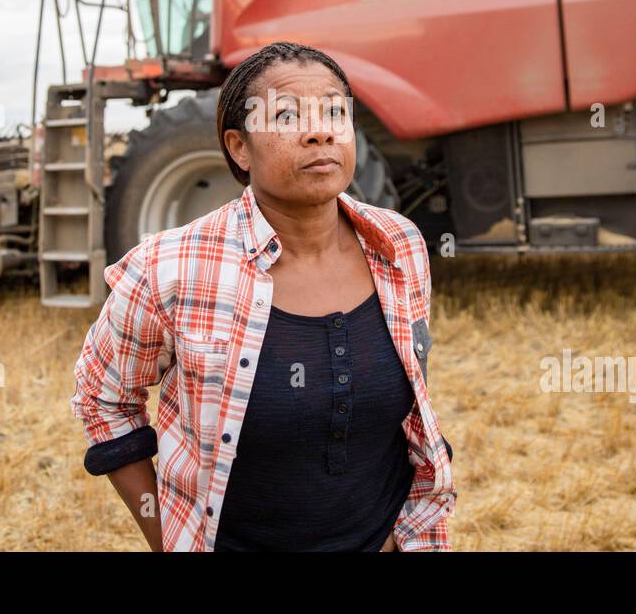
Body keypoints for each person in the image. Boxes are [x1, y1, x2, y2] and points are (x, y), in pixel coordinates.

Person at [69, 40, 455, 551]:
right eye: (287, 116)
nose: (320, 131)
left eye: (335, 112)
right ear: (238, 146)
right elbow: (105, 397)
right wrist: (166, 537)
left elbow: (411, 411)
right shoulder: (170, 269)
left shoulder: (399, 245)